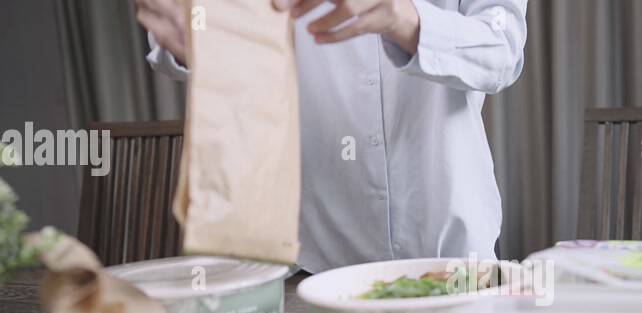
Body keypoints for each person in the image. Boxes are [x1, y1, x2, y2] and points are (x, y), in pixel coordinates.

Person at [137, 0, 528, 272]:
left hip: (457, 263)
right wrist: (191, 27)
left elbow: (502, 46)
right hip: (315, 267)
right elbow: (193, 41)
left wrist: (403, 17)